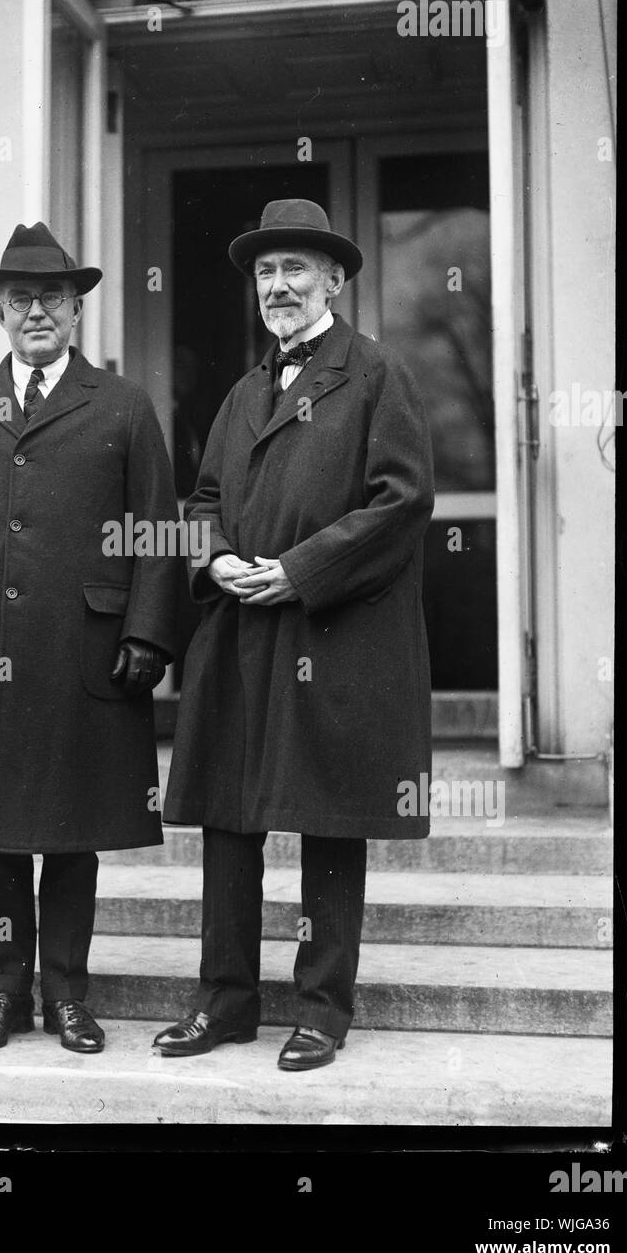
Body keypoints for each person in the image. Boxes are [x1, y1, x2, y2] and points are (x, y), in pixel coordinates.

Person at [154, 198, 435, 1070]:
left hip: (331, 634)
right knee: (228, 823)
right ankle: (226, 1002)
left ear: (334, 280)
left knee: (327, 821)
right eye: (265, 273)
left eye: (294, 270)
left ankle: (321, 1010)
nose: (276, 286)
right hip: (241, 635)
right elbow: (202, 503)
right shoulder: (243, 391)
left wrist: (300, 570)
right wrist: (217, 560)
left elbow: (401, 501)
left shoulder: (376, 374)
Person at [0, 222, 179, 1055]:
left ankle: (67, 996)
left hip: (84, 653)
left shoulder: (121, 406)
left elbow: (155, 530)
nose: (36, 312)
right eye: (19, 299)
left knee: (73, 829)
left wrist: (150, 633)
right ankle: (4, 993)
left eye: (52, 297)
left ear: (77, 309)